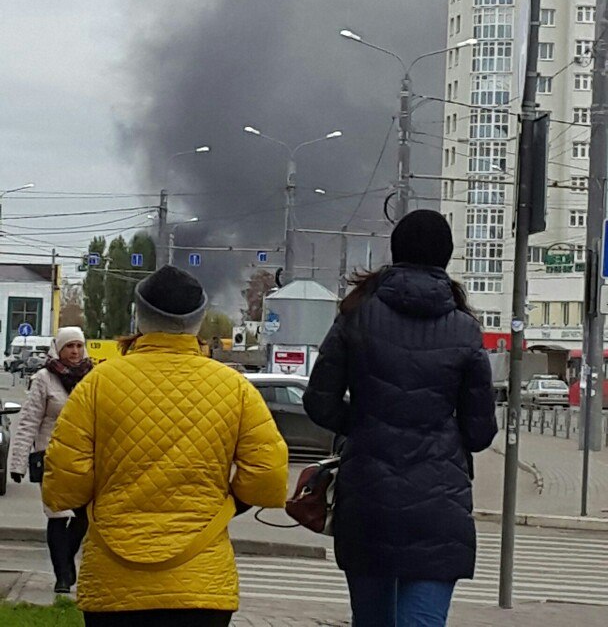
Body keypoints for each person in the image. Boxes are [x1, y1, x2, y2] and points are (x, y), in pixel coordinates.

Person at [42, 264, 289, 626]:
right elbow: (268, 473)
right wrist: (227, 507)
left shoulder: (99, 383)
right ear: (200, 319)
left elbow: (63, 480)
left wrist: (91, 512)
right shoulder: (234, 387)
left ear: (139, 317)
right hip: (201, 580)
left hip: (114, 580)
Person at [304, 209, 498, 627]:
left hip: (368, 499)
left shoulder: (355, 314)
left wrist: (365, 423)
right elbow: (481, 432)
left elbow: (319, 403)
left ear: (395, 252)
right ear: (446, 257)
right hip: (439, 504)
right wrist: (442, 433)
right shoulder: (465, 329)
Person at [10, 326, 92, 594]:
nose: (75, 352)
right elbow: (29, 422)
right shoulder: (44, 379)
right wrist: (18, 463)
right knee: (57, 516)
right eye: (69, 346)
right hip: (50, 456)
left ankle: (66, 561)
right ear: (59, 348)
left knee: (84, 516)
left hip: (84, 458)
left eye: (79, 346)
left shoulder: (93, 377)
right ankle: (63, 577)